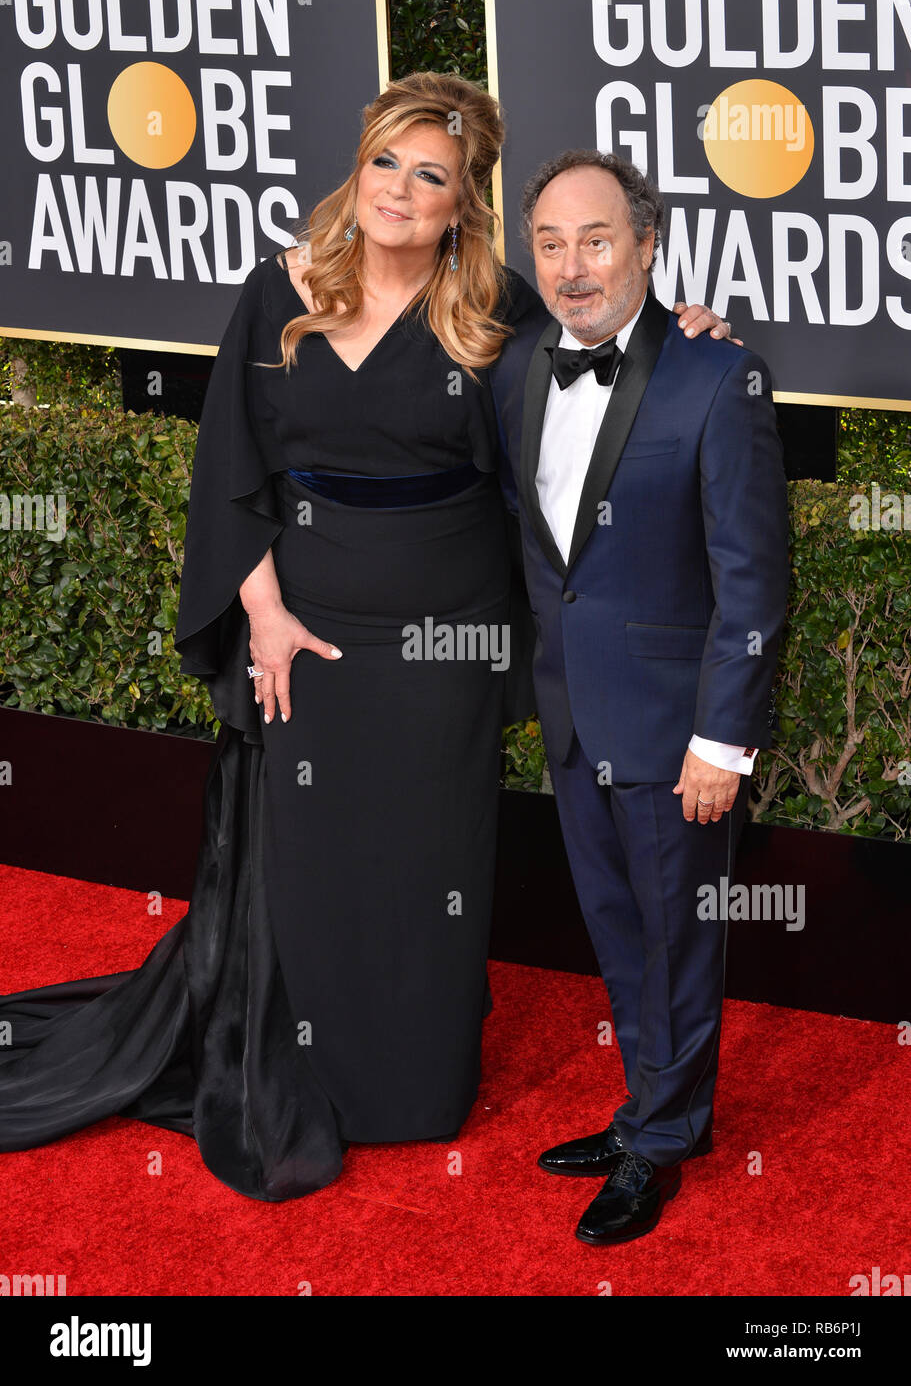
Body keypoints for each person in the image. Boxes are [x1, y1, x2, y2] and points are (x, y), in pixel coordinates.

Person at [0, 77, 731, 1203]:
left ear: (460, 204)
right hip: (309, 633)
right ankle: (313, 1071)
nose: (399, 190)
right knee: (320, 864)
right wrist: (263, 614)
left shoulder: (492, 309)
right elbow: (228, 470)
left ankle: (416, 1084)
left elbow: (610, 360)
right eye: (386, 163)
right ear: (360, 167)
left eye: (429, 175)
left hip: (448, 646)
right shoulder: (279, 288)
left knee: (428, 864)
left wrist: (684, 330)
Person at [490, 150, 790, 1244]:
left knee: (677, 940)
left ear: (647, 244)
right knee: (620, 934)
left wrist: (724, 737)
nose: (572, 267)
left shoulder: (718, 376)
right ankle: (652, 1109)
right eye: (550, 244)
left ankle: (663, 1140)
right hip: (572, 715)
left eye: (597, 238)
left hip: (677, 734)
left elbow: (752, 575)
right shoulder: (515, 366)